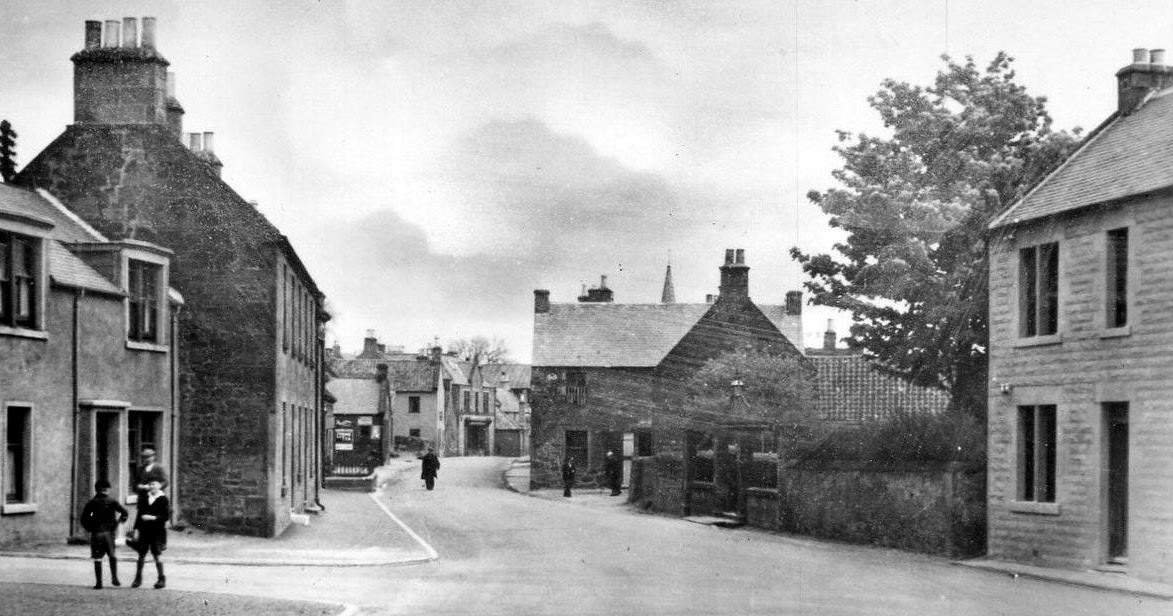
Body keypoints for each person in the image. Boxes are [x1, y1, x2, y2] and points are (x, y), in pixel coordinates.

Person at [80, 479, 129, 590]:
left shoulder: (91, 503)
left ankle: (99, 583)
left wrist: (89, 528)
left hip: (96, 533)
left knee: (97, 558)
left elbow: (84, 518)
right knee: (112, 555)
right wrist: (119, 523)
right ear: (107, 489)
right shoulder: (112, 501)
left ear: (96, 489)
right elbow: (125, 512)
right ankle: (114, 577)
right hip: (109, 533)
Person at [131, 479, 170, 590]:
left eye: (154, 484)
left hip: (157, 531)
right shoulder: (144, 498)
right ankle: (138, 579)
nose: (152, 486)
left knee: (157, 555)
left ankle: (161, 579)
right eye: (150, 484)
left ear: (160, 486)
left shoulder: (163, 499)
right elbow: (139, 515)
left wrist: (152, 518)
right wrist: (136, 530)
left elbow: (165, 517)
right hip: (144, 531)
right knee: (141, 555)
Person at [135, 447, 168, 551]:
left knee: (159, 520)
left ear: (153, 457)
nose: (147, 459)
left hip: (156, 496)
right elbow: (136, 482)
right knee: (142, 518)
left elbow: (165, 481)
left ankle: (162, 542)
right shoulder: (140, 469)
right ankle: (143, 541)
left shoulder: (158, 468)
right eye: (145, 457)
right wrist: (140, 486)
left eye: (149, 457)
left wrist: (156, 487)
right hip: (144, 497)